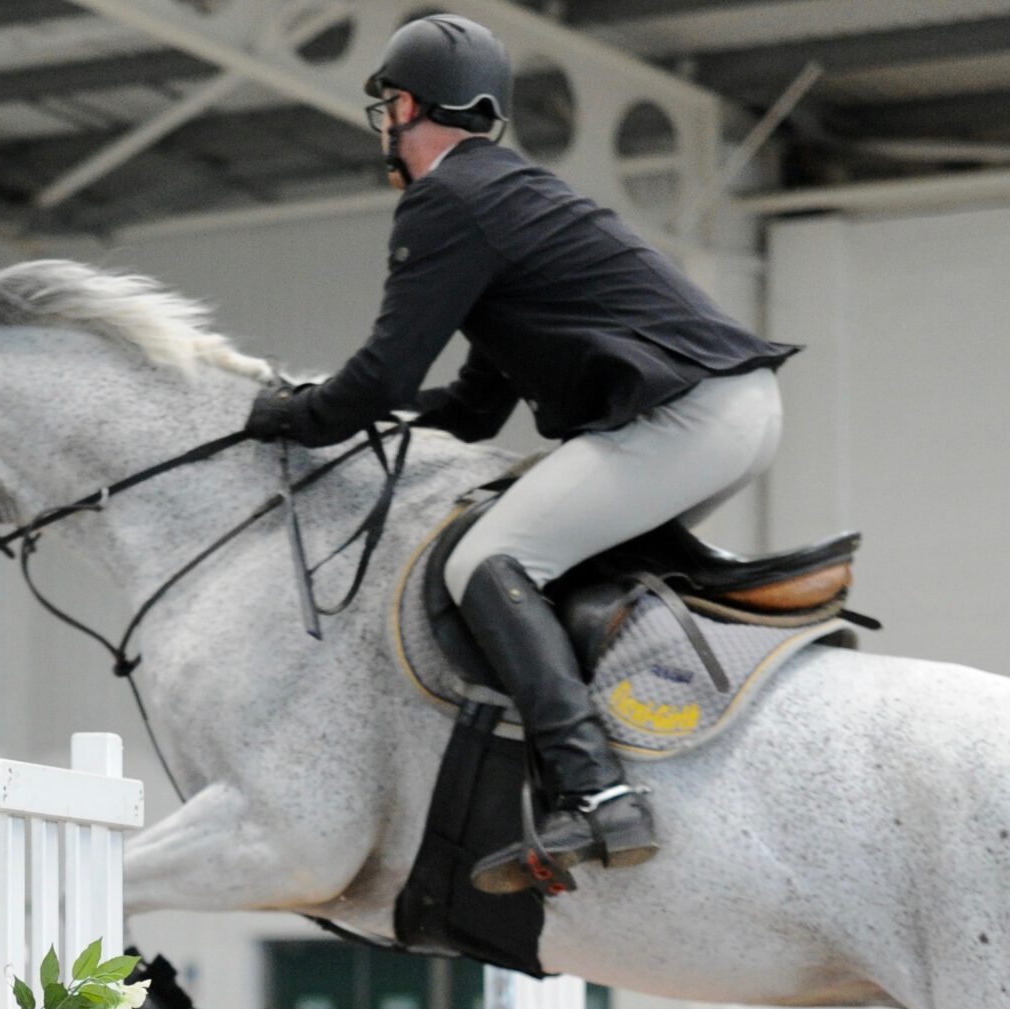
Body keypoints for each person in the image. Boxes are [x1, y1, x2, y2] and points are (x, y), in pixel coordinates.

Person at [244, 13, 798, 894]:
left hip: (685, 417)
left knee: (487, 560)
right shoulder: (505, 194)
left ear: (409, 105)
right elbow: (470, 407)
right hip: (734, 408)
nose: (384, 121)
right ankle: (636, 738)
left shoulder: (446, 201)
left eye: (388, 103)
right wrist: (351, 419)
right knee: (552, 561)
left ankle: (597, 787)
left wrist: (291, 415)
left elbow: (385, 371)